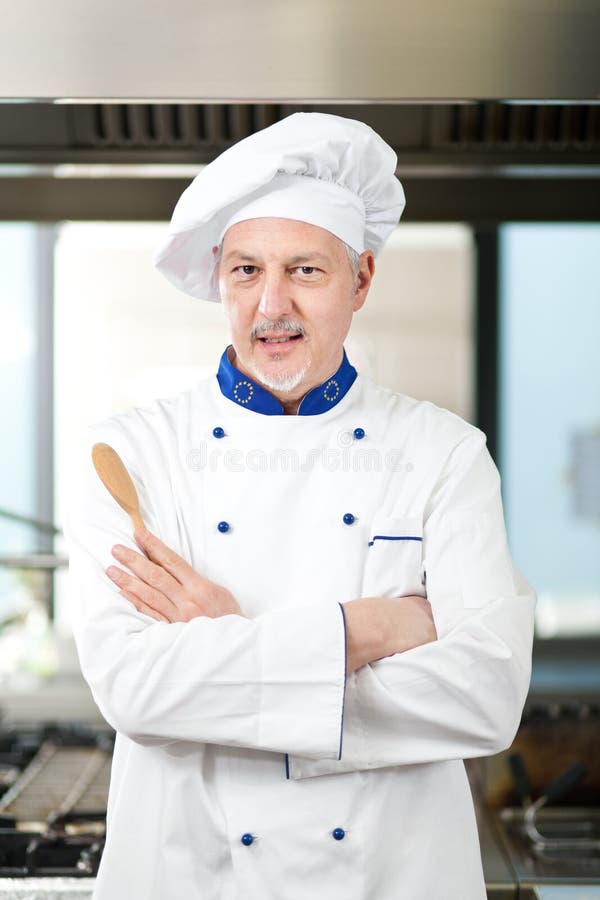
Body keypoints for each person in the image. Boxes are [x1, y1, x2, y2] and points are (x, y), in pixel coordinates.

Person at [64, 112, 535, 900]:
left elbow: (484, 699)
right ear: (220, 278)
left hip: (389, 879)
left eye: (305, 272)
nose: (270, 306)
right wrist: (369, 629)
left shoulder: (444, 455)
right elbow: (134, 689)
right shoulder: (129, 455)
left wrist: (223, 649)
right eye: (246, 270)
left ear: (361, 280)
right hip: (192, 877)